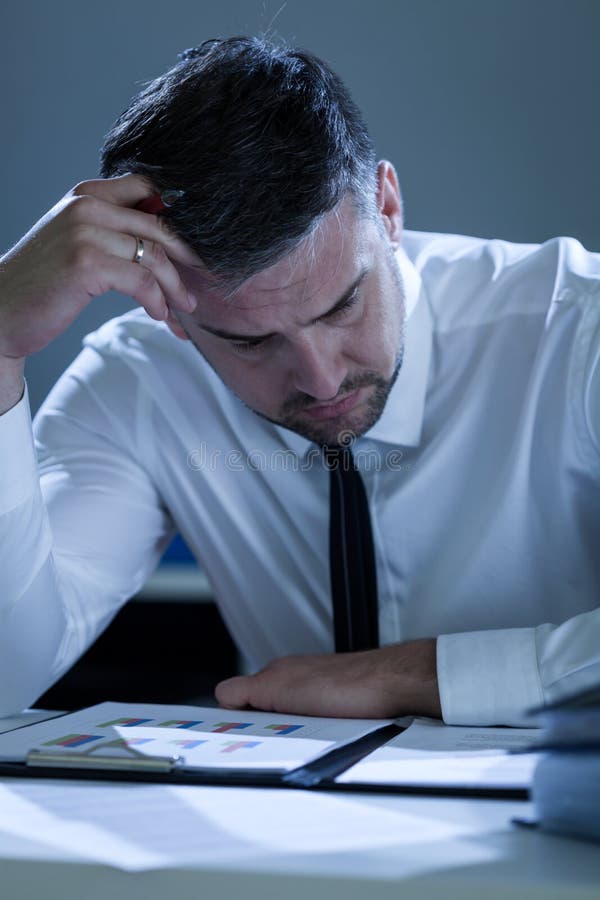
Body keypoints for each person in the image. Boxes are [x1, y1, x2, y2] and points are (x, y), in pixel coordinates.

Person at [0, 37, 598, 725]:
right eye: (249, 340)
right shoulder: (134, 384)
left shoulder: (578, 326)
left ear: (389, 208)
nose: (320, 378)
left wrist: (413, 677)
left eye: (343, 304)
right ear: (164, 308)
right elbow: (4, 679)